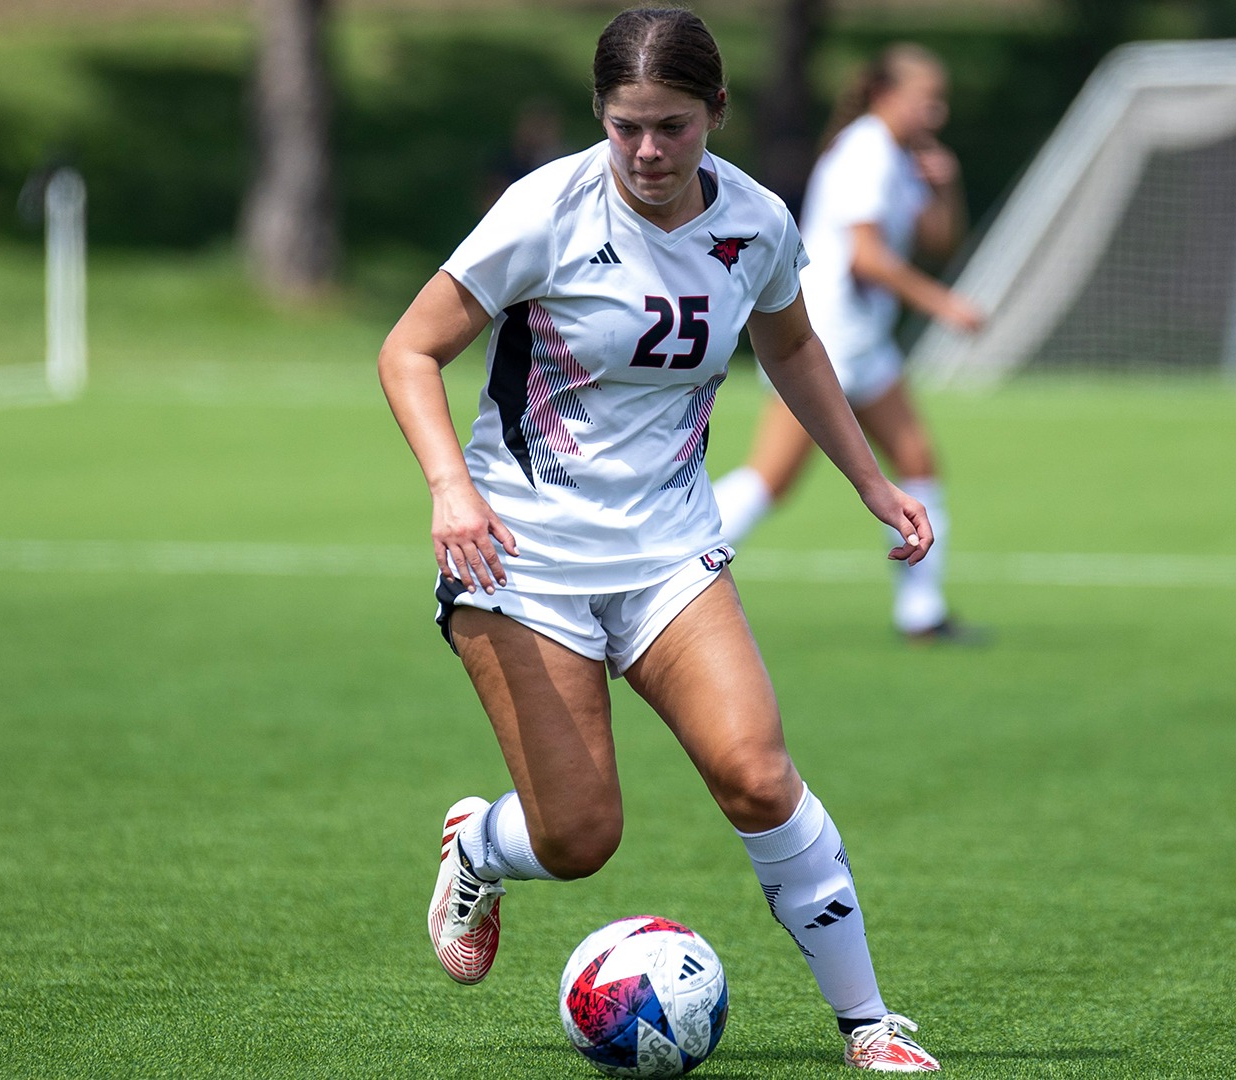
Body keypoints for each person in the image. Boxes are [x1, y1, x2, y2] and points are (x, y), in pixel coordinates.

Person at [377, 9, 942, 1071]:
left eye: (672, 128)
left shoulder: (758, 221)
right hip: (520, 560)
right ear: (602, 114)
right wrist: (452, 492)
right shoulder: (546, 208)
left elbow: (795, 347)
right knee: (581, 837)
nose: (646, 151)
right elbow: (408, 351)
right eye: (627, 125)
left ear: (715, 114)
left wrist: (872, 481)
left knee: (758, 777)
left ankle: (868, 1025)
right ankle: (480, 846)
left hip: (671, 553)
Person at [711, 43, 985, 643]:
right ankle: (672, 562)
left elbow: (938, 239)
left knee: (915, 461)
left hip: (862, 341)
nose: (935, 114)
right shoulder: (866, 152)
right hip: (824, 339)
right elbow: (866, 258)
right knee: (770, 479)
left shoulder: (898, 154)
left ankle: (922, 612)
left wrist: (945, 187)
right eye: (926, 102)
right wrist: (944, 304)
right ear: (888, 97)